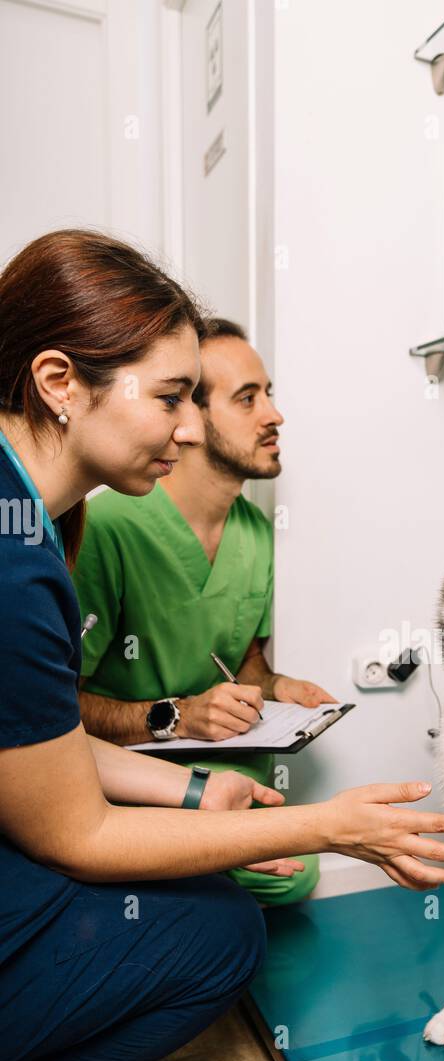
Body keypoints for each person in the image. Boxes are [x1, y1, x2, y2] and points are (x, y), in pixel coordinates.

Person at [0, 228, 444, 1061]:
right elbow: (77, 831)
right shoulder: (29, 563)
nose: (189, 429)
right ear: (61, 382)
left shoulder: (45, 520)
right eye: (173, 397)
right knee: (221, 939)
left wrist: (193, 794)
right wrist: (327, 827)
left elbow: (31, 740)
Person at [72, 317, 331, 908]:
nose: (274, 416)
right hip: (126, 779)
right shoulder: (109, 526)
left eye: (270, 394)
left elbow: (247, 665)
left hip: (231, 772)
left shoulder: (257, 534)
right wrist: (179, 716)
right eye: (248, 399)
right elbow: (56, 708)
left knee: (295, 873)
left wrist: (279, 686)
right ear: (192, 416)